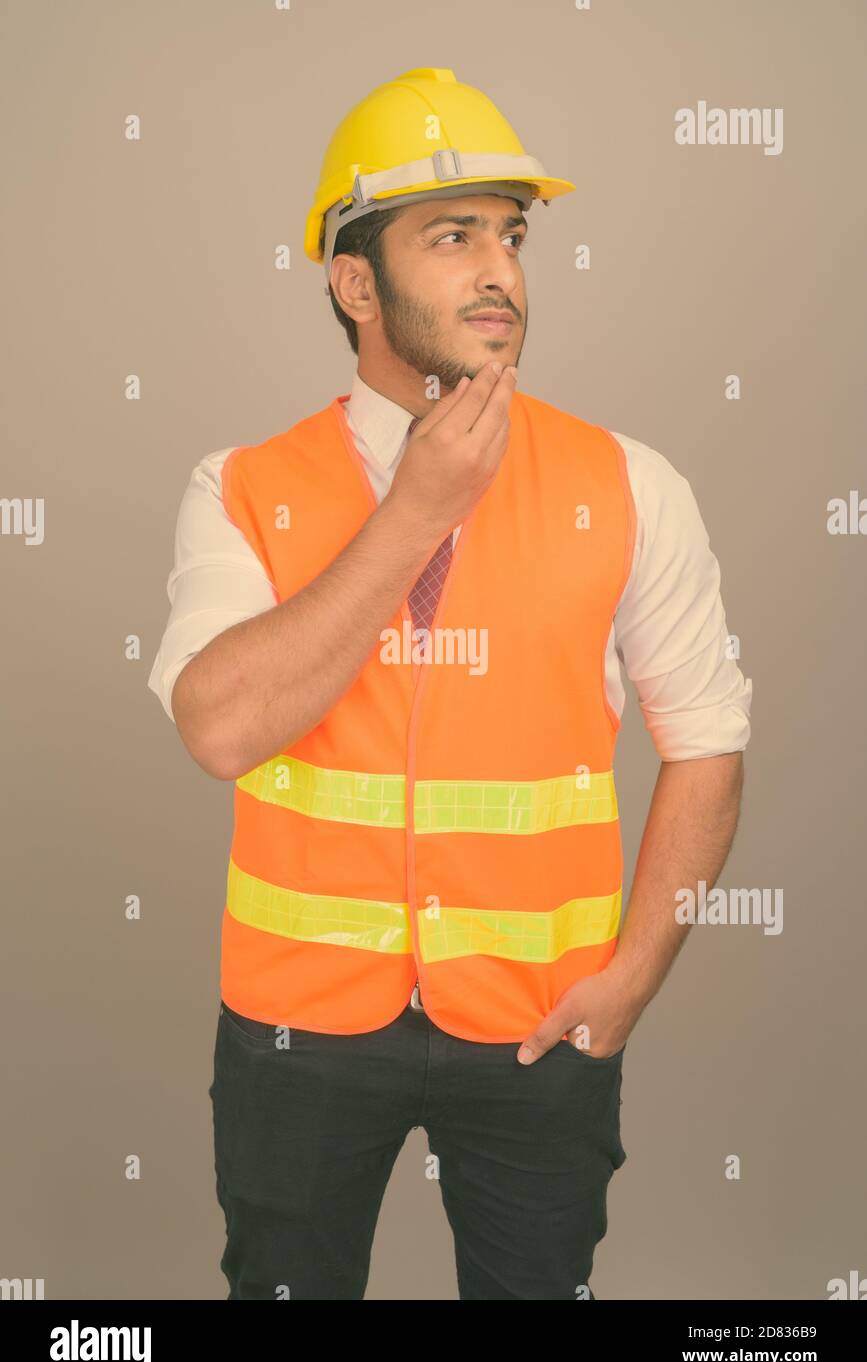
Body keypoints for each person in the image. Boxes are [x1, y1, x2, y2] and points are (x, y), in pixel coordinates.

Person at [148, 68, 752, 1300]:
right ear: (354, 282)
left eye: (511, 235)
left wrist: (633, 976)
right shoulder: (242, 488)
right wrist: (413, 514)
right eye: (453, 234)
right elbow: (218, 725)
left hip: (541, 1029)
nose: (501, 271)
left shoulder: (632, 485)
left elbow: (710, 741)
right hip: (295, 1031)